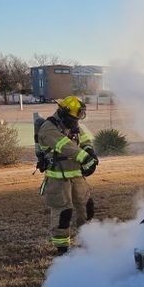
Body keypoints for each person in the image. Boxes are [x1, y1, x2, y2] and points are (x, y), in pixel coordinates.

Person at [36, 96, 99, 254]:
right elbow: (66, 146)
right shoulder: (48, 129)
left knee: (87, 208)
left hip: (77, 175)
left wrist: (90, 151)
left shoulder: (72, 124)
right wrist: (85, 158)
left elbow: (84, 139)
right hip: (58, 179)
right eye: (74, 118)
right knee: (63, 213)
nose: (76, 121)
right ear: (63, 113)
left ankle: (89, 242)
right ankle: (62, 250)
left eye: (77, 118)